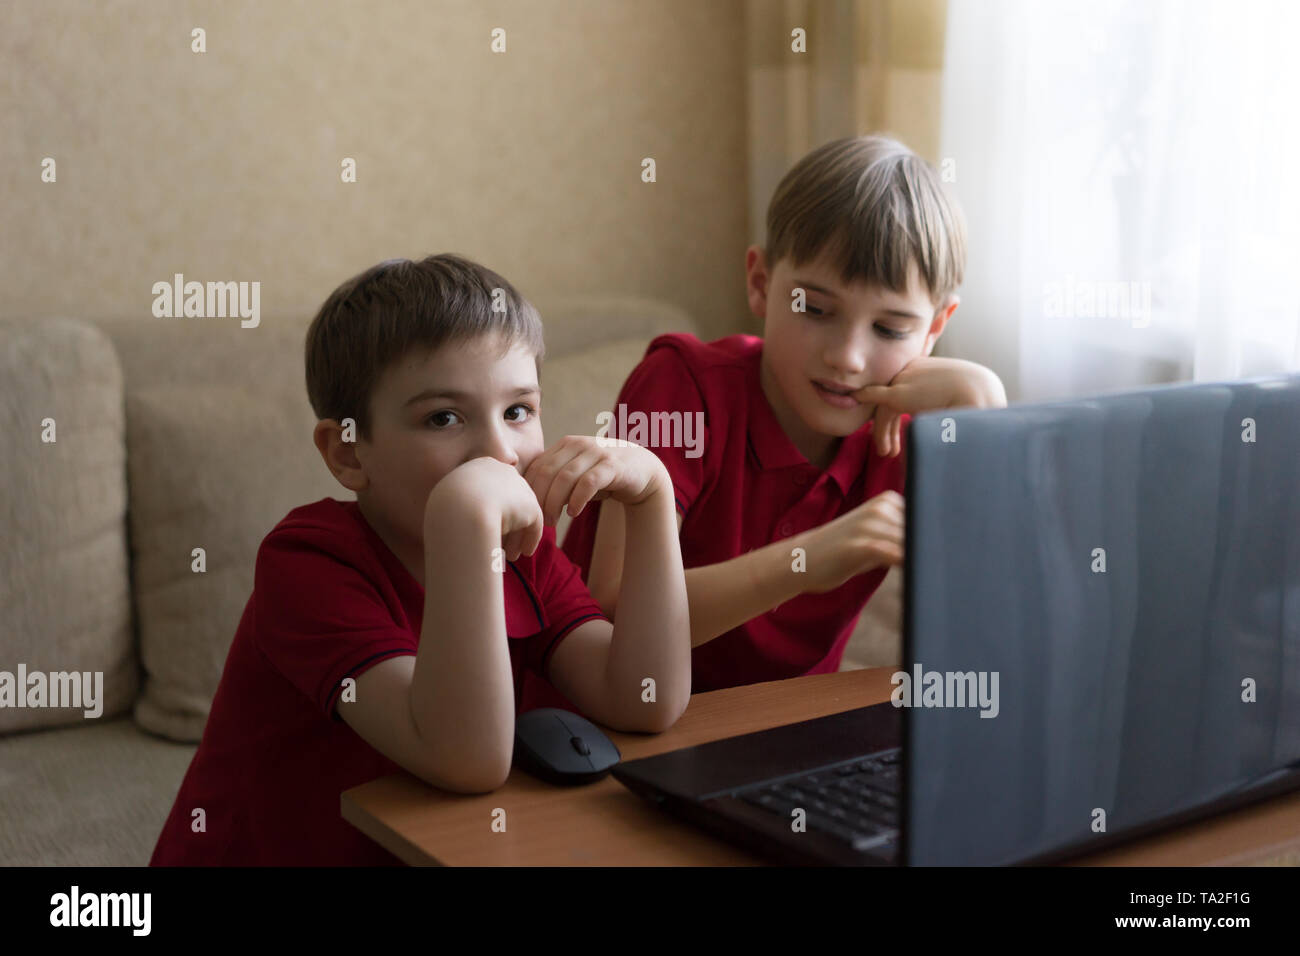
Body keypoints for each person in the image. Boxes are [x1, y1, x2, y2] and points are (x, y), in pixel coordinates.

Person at [150, 254, 690, 865]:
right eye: (443, 418)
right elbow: (465, 759)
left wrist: (652, 495)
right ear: (348, 452)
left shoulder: (522, 550)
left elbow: (642, 698)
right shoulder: (305, 563)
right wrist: (464, 521)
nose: (501, 454)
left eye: (517, 411)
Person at [559, 135, 1007, 704]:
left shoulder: (917, 431)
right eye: (814, 309)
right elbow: (615, 610)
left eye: (890, 329)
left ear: (935, 328)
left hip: (786, 732)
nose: (847, 357)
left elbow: (993, 627)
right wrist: (805, 562)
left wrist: (985, 417)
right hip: (598, 722)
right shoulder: (682, 386)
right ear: (761, 283)